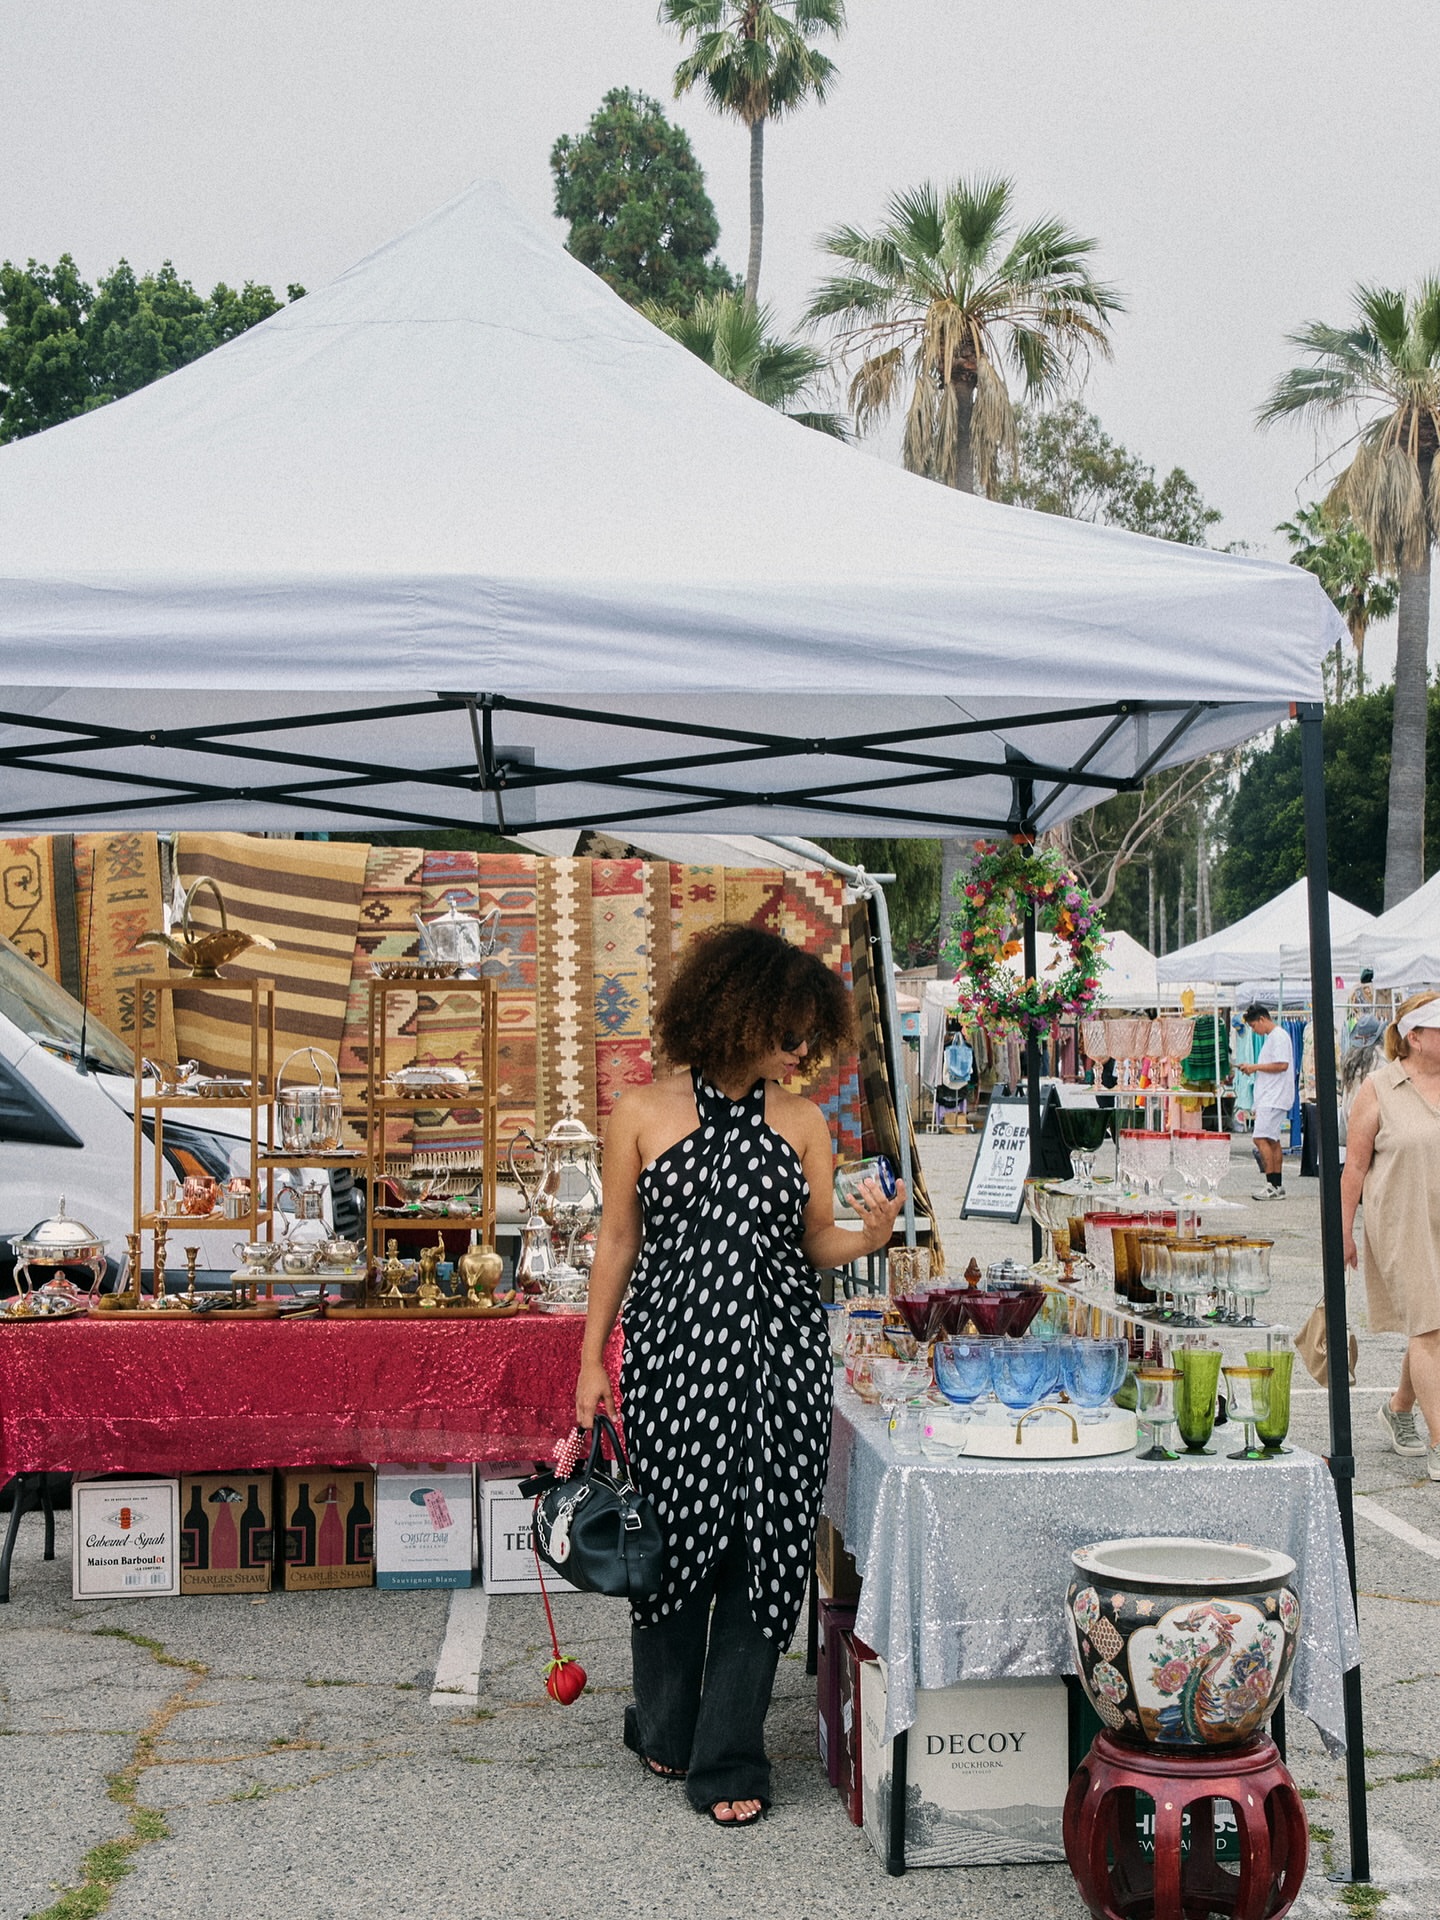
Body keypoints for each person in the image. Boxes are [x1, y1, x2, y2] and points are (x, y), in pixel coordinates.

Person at [574, 925, 905, 1827]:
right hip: (674, 1364)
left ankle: (728, 1758)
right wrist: (589, 1361)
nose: (803, 1051)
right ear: (738, 1011)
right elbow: (615, 1244)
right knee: (674, 1548)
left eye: (810, 1035)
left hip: (779, 1368)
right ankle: (668, 1725)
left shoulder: (803, 1122)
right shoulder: (639, 1112)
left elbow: (817, 1244)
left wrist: (868, 1238)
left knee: (764, 1552)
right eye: (791, 1031)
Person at [1342, 989, 1440, 1478]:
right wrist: (1343, 1232)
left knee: (1436, 1325)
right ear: (1415, 1036)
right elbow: (1354, 1167)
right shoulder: (1379, 1087)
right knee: (1428, 1326)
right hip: (1401, 1221)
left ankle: (1399, 1407)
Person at [1234, 1003, 1295, 1200]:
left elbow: (1282, 1065)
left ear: (1262, 1019)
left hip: (1273, 1096)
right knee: (1272, 1139)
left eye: (1253, 1026)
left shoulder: (1277, 1037)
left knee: (1260, 1138)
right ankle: (1277, 1184)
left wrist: (1255, 1067)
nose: (1254, 1031)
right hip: (1275, 1095)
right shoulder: (1276, 1037)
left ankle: (1271, 1184)